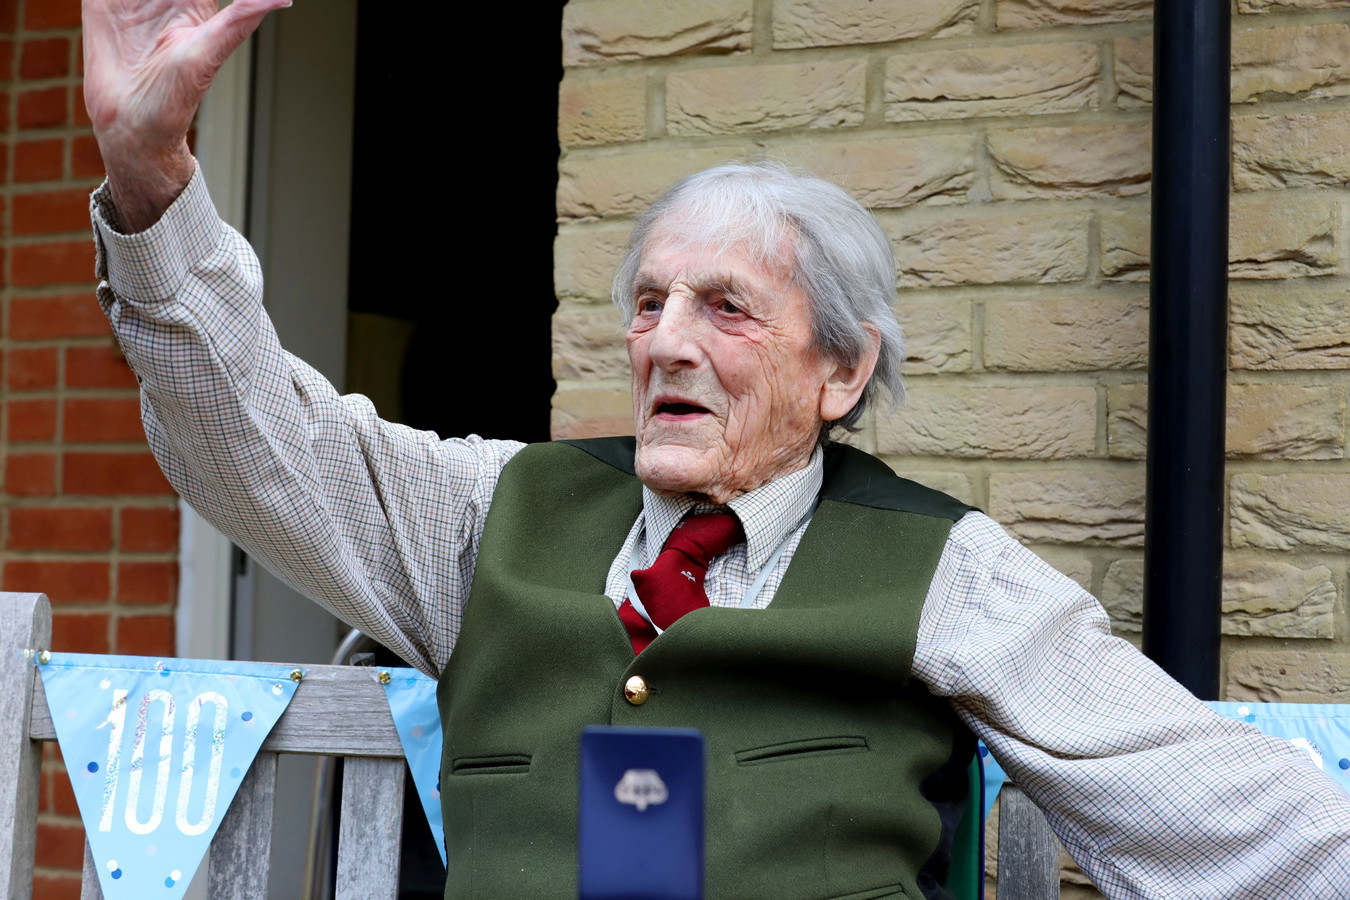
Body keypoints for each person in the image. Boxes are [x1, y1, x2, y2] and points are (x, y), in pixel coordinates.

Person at [83, 2, 1350, 898]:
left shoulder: (948, 569)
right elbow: (254, 441)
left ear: (841, 373)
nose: (665, 344)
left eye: (726, 308)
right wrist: (150, 178)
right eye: (649, 303)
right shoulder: (483, 512)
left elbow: (1213, 806)